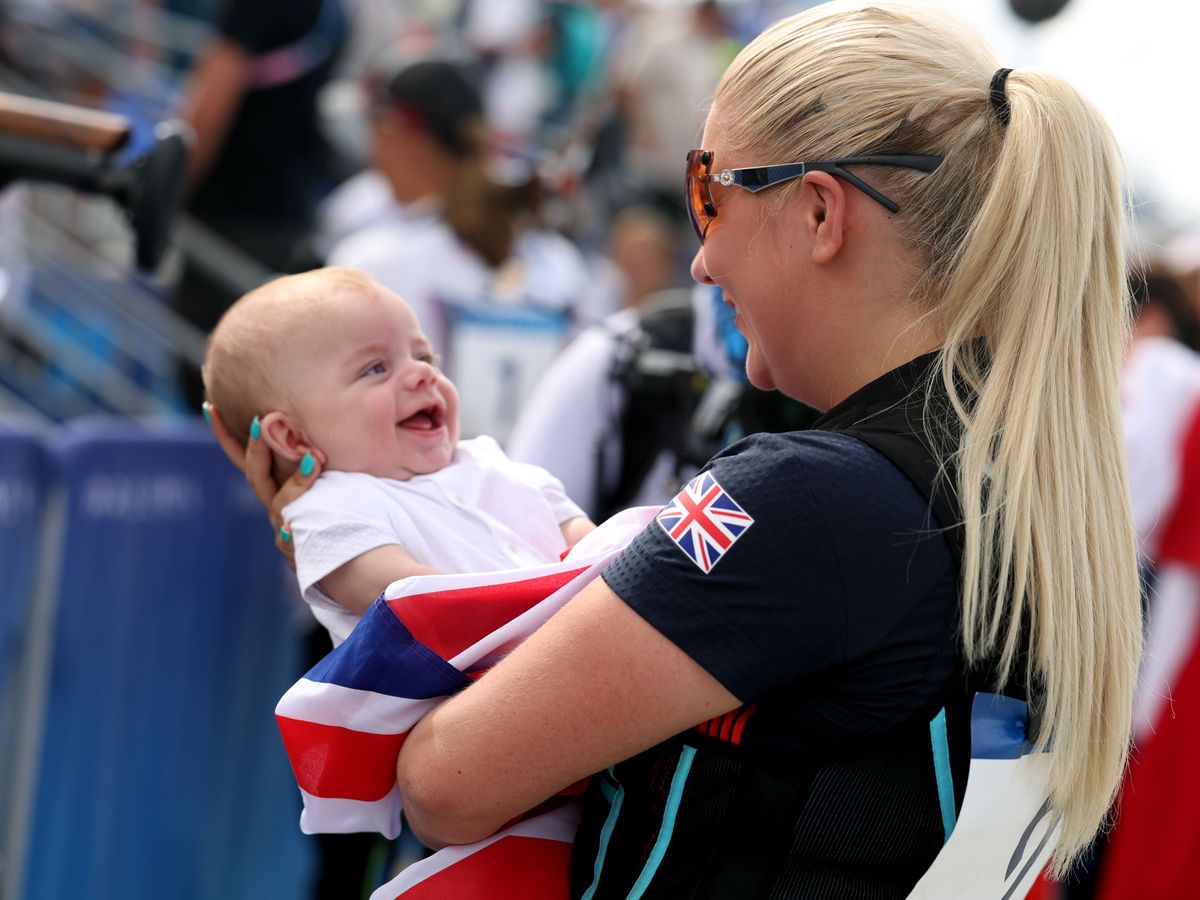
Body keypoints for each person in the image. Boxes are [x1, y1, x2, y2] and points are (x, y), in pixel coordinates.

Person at [215, 2, 1143, 896]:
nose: (699, 258)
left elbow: (446, 782)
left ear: (820, 214)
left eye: (710, 190)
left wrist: (339, 520)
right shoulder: (1024, 489)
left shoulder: (815, 502)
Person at [201, 266, 594, 646]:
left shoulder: (485, 459)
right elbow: (413, 601)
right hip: (480, 692)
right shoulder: (329, 508)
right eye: (375, 368)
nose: (423, 375)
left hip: (578, 647)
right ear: (290, 436)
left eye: (424, 357)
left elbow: (586, 539)